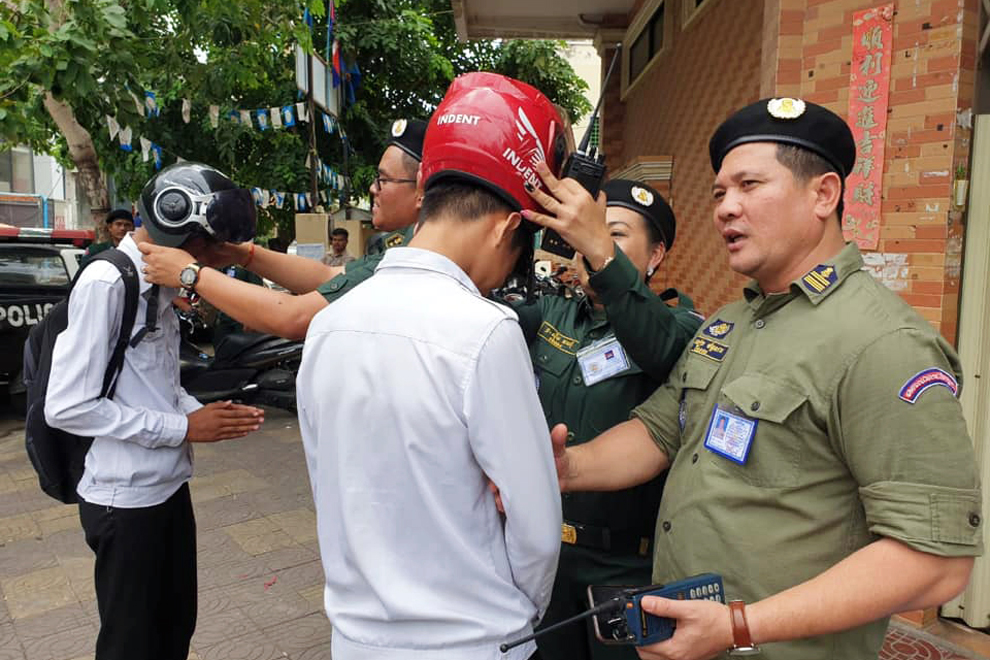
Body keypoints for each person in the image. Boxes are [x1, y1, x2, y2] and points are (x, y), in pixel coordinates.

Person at [550, 98, 983, 660]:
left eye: (750, 186)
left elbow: (936, 562)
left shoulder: (883, 344)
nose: (726, 208)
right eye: (719, 193)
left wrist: (738, 625)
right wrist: (567, 469)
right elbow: (660, 433)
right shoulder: (731, 323)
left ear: (823, 195)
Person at [297, 72, 571, 660]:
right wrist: (519, 613)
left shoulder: (328, 324)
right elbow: (537, 530)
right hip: (472, 640)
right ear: (507, 225)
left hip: (357, 638)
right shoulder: (485, 331)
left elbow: (328, 481)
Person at [44, 162, 266, 660]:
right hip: (124, 502)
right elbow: (68, 406)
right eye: (209, 249)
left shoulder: (157, 287)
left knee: (172, 630)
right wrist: (182, 426)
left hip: (165, 489)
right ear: (177, 229)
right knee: (132, 644)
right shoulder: (109, 282)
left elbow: (153, 385)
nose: (211, 263)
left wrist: (201, 413)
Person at [510, 177, 701, 660]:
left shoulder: (680, 327)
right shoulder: (553, 312)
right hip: (546, 555)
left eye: (614, 234)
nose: (592, 245)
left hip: (624, 570)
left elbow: (656, 346)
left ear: (656, 255)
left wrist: (601, 253)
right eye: (589, 233)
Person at [138, 119, 428, 339]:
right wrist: (243, 254)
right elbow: (328, 277)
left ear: (421, 190)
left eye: (383, 180)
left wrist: (191, 273)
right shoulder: (404, 242)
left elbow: (294, 317)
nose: (372, 188)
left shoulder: (418, 252)